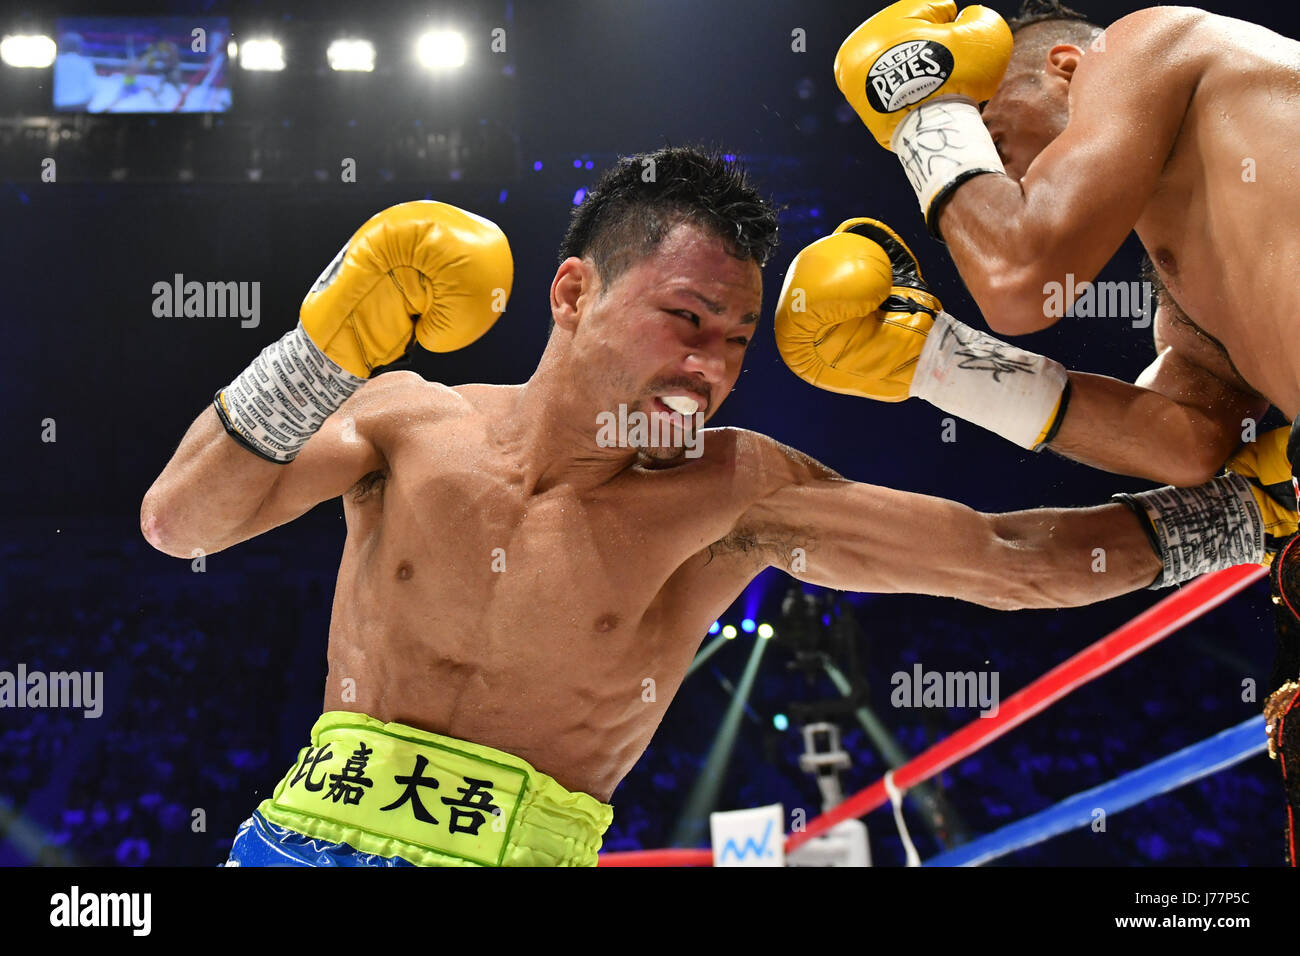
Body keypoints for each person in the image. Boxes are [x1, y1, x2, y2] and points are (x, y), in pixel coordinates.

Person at [142, 146, 1258, 867]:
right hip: (297, 835)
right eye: (686, 317)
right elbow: (183, 522)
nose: (711, 366)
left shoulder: (734, 490)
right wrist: (323, 344)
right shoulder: (403, 418)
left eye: (734, 339)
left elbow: (1013, 558)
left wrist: (1247, 518)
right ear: (574, 292)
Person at [830, 0, 1300, 861]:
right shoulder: (1197, 268)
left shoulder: (1149, 40)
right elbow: (1186, 442)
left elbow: (1017, 273)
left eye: (988, 129)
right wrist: (935, 361)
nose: (988, 170)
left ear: (1067, 71)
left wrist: (921, 113)